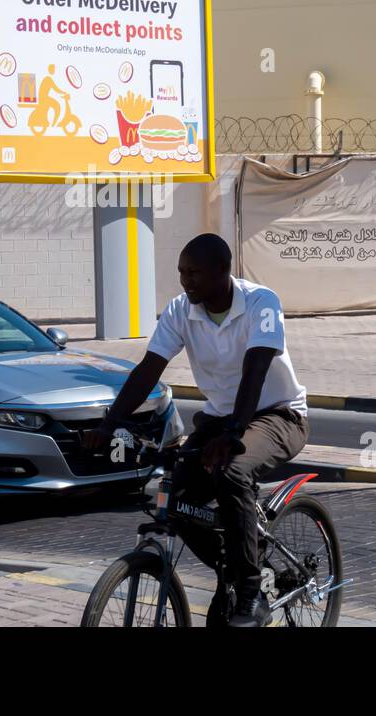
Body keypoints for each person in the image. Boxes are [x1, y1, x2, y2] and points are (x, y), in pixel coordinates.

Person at [82, 233, 309, 627]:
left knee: (233, 470)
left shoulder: (261, 302)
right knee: (174, 497)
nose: (186, 281)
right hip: (221, 419)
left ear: (222, 271)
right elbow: (148, 370)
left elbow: (255, 370)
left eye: (195, 273)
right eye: (182, 272)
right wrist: (111, 422)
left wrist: (235, 431)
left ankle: (252, 592)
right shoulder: (180, 311)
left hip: (276, 414)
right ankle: (233, 570)